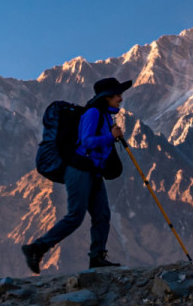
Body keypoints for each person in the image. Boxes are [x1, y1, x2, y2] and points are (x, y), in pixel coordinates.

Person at [22, 77, 129, 273]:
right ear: (106, 96)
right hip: (79, 169)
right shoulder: (93, 113)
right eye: (117, 95)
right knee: (75, 215)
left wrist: (110, 136)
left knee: (102, 214)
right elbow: (86, 142)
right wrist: (110, 137)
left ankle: (97, 257)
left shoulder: (105, 116)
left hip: (93, 171)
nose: (120, 98)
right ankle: (37, 248)